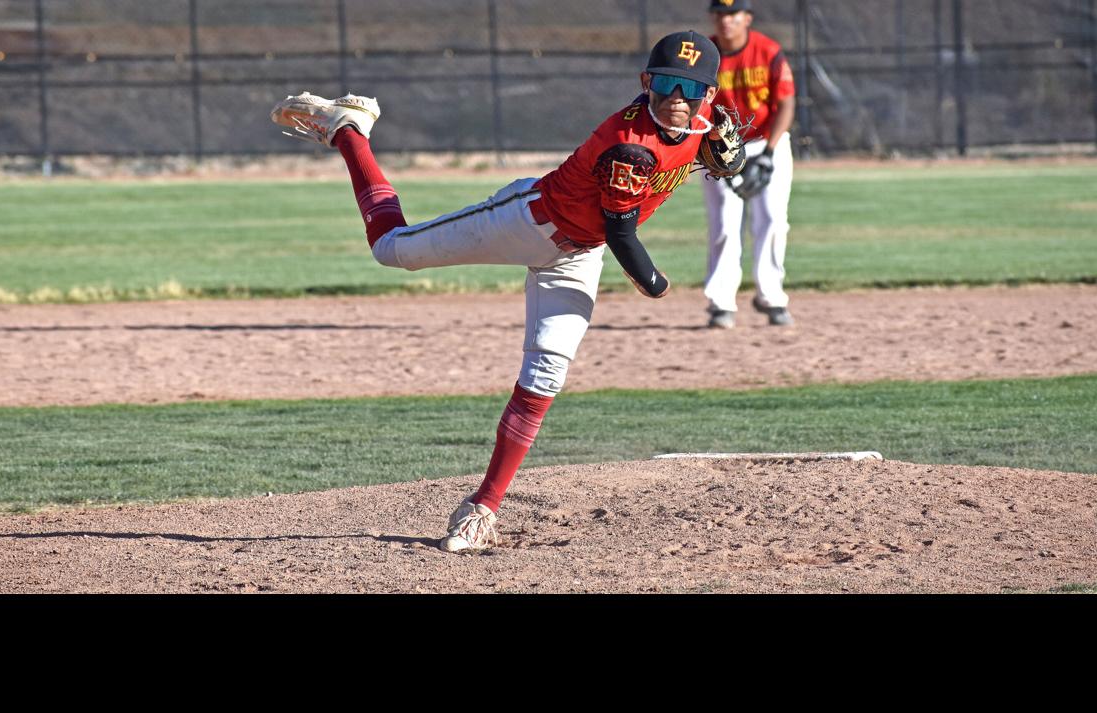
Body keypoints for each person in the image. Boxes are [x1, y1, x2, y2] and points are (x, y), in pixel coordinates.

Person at [270, 31, 741, 553]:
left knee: (546, 373)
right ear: (645, 84)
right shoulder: (628, 144)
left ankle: (482, 508)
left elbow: (724, 138)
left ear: (710, 96)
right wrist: (657, 285)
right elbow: (623, 236)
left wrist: (730, 150)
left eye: (692, 89)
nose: (678, 98)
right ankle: (349, 130)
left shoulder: (703, 119)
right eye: (668, 84)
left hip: (577, 255)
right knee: (390, 248)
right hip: (528, 219)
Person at [701, 0, 798, 328]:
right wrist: (711, 152)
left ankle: (771, 296)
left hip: (766, 142)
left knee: (772, 220)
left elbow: (786, 104)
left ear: (747, 18)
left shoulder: (768, 50)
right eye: (719, 14)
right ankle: (721, 302)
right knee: (725, 224)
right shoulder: (705, 54)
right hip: (720, 144)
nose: (725, 20)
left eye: (732, 14)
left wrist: (769, 153)